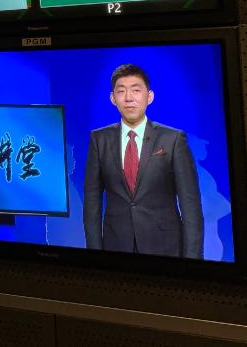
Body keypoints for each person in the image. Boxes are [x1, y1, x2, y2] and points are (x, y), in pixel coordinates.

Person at [83, 64, 203, 258]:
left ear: (149, 96)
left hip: (166, 248)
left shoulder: (173, 139)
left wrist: (193, 260)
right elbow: (91, 204)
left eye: (136, 90)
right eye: (121, 91)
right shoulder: (99, 139)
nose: (129, 98)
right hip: (116, 246)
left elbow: (191, 206)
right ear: (113, 98)